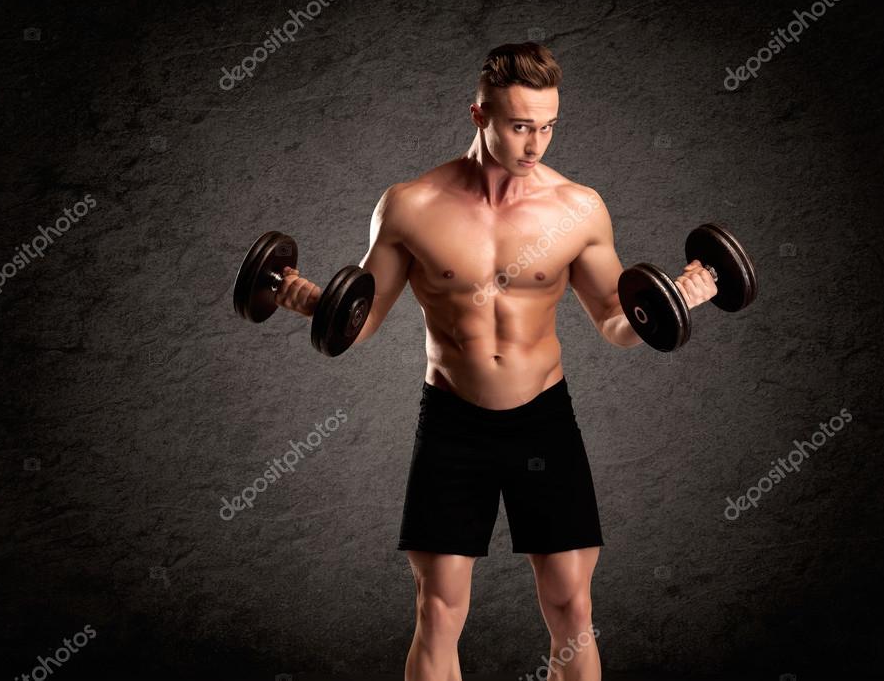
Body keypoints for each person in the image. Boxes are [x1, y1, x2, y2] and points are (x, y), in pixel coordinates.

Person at [273, 42, 717, 681]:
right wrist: (305, 297)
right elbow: (360, 322)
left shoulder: (578, 209)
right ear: (479, 114)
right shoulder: (409, 206)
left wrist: (684, 297)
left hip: (544, 417)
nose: (536, 144)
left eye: (548, 126)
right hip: (453, 421)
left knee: (572, 603)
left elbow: (619, 325)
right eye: (519, 126)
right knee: (438, 608)